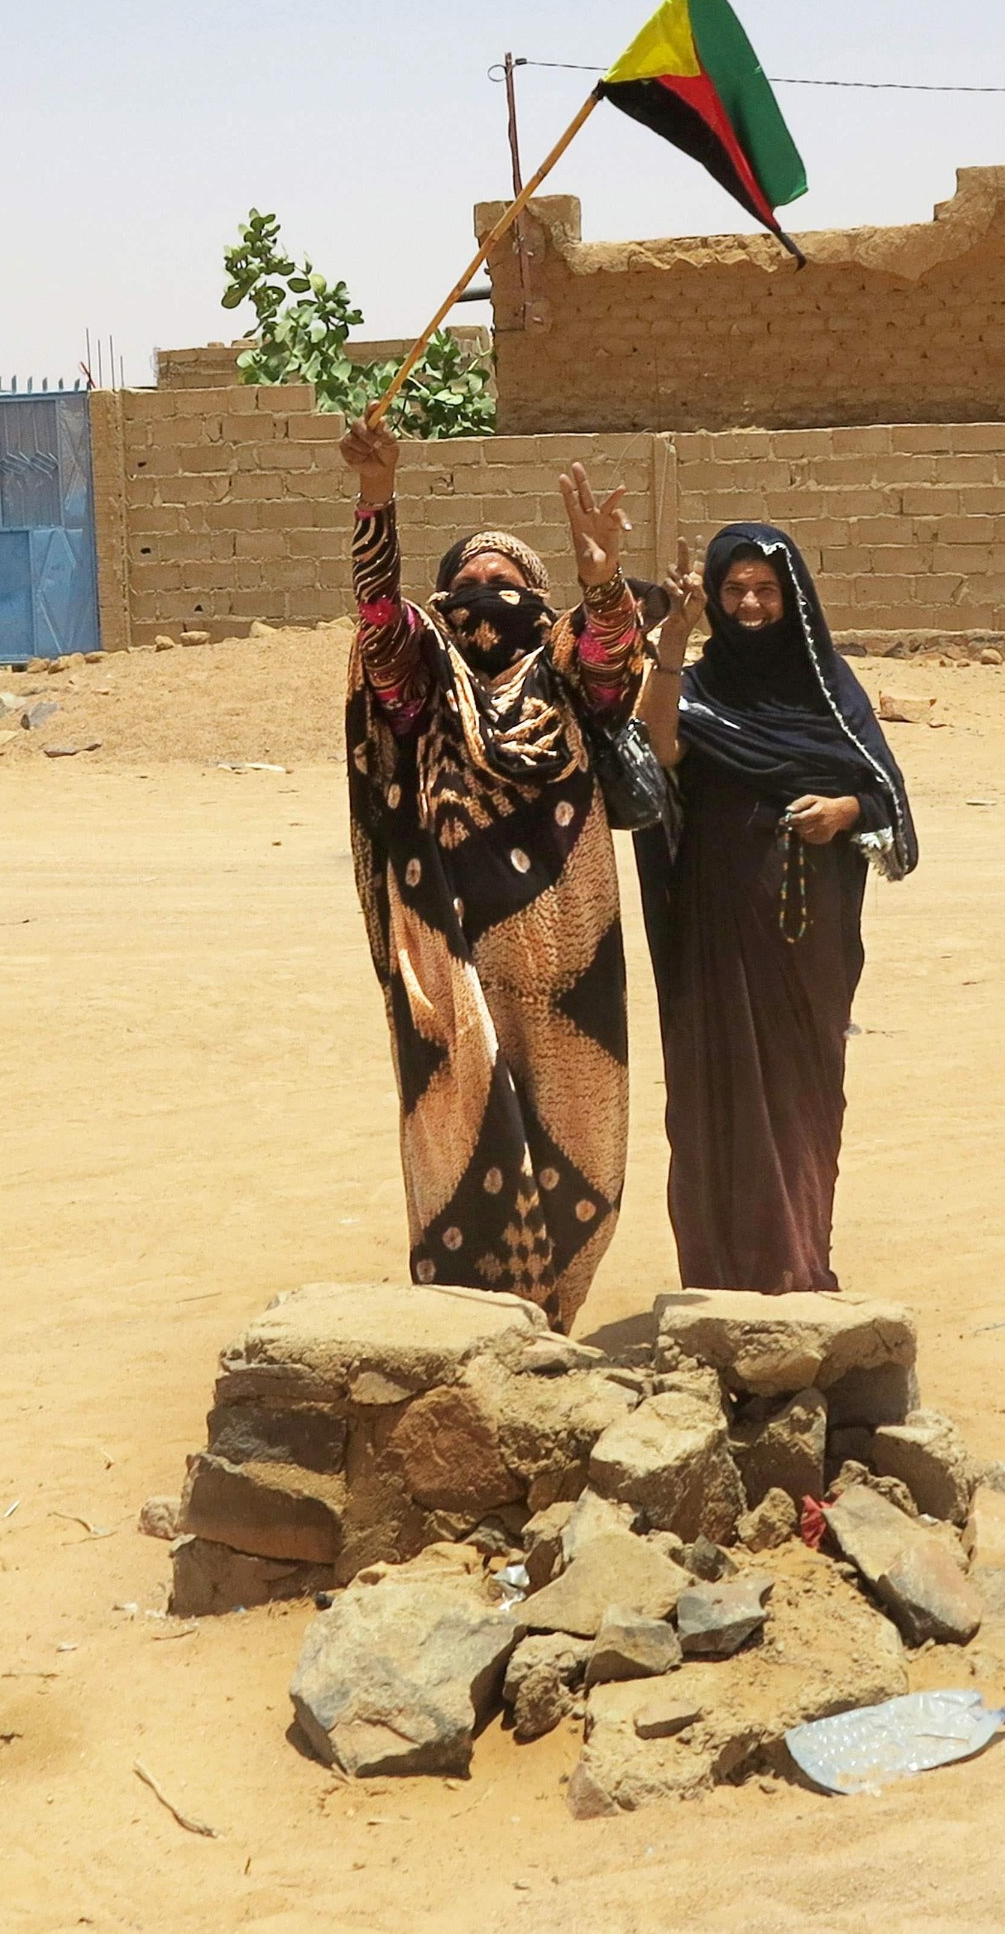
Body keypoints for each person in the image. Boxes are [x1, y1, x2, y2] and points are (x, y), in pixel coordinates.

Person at [340, 413, 643, 1331]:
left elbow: (609, 667)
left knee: (572, 1133)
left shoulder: (562, 671)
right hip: (454, 955)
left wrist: (602, 586)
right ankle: (469, 1323)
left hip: (565, 962)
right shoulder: (425, 679)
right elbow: (382, 627)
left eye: (503, 583)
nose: (481, 595)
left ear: (538, 597)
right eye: (463, 584)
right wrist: (376, 501)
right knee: (461, 1129)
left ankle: (553, 1323)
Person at [635, 522, 918, 1295]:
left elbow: (884, 790)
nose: (751, 604)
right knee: (714, 1091)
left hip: (807, 932)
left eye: (766, 590)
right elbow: (658, 746)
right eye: (735, 591)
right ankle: (720, 1276)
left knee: (801, 1091)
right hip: (717, 920)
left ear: (793, 598)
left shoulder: (829, 687)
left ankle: (796, 1263)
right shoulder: (698, 687)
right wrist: (672, 639)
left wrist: (842, 812)